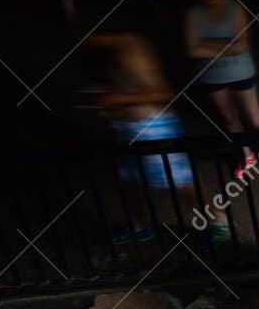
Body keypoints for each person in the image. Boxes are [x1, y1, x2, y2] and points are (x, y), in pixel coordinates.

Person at [85, 31, 227, 245]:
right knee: (131, 181)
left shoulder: (132, 47)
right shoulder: (109, 53)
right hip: (127, 129)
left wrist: (118, 98)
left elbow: (162, 94)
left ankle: (218, 221)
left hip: (152, 128)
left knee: (179, 183)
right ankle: (138, 227)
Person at [184, 0, 259, 177]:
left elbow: (241, 45)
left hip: (240, 70)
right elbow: (191, 49)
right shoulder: (193, 14)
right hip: (211, 74)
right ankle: (247, 156)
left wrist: (206, 45)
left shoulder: (235, 9)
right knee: (229, 117)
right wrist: (226, 45)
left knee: (255, 118)